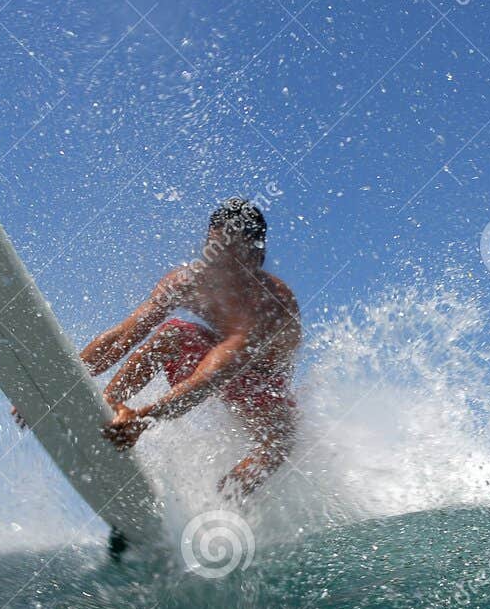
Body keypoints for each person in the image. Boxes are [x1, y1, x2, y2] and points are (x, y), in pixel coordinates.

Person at [17, 198, 300, 497]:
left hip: (266, 388)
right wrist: (54, 385)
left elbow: (210, 376)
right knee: (173, 335)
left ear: (257, 258)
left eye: (232, 258)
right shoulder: (190, 281)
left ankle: (223, 506)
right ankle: (107, 408)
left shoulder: (267, 305)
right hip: (218, 368)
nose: (218, 267)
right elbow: (123, 336)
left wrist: (144, 418)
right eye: (214, 252)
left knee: (279, 443)